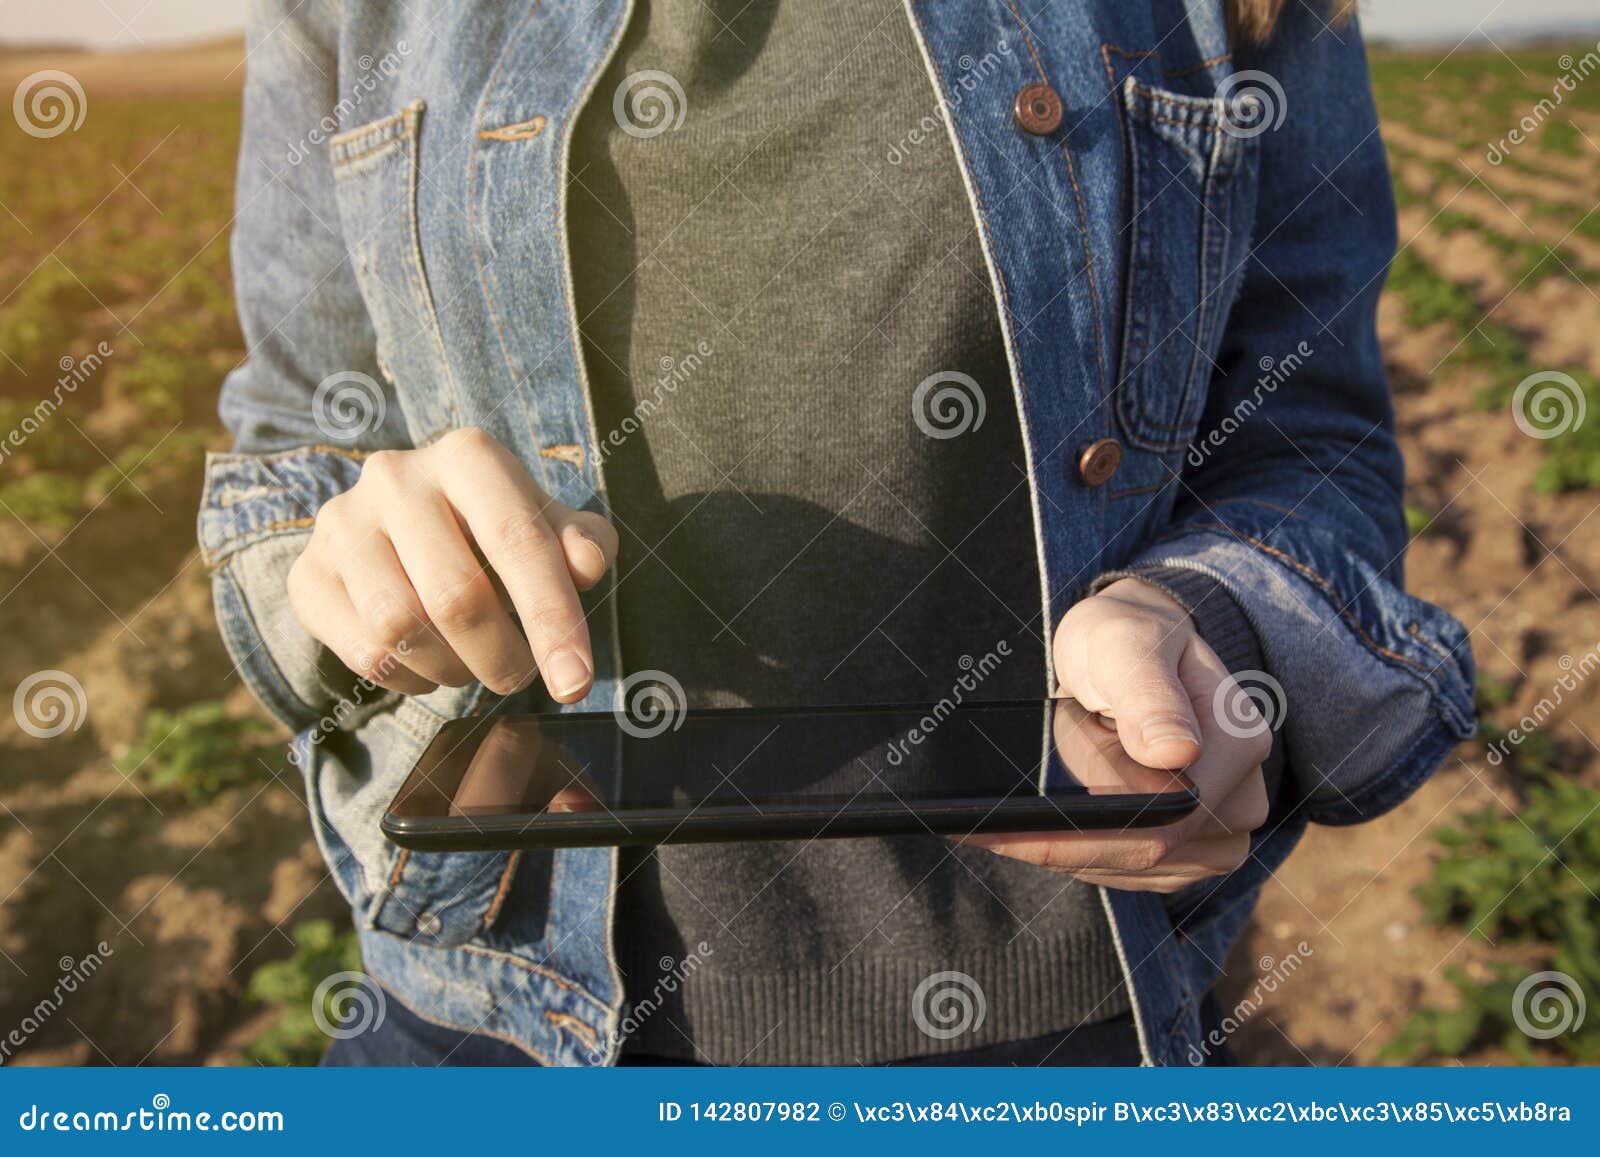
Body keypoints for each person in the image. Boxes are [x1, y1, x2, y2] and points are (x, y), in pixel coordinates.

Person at [201, 0, 1475, 1066]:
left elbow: (1309, 434)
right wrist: (353, 570)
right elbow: (294, 447)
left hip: (1058, 1028)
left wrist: (1213, 624)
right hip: (484, 1022)